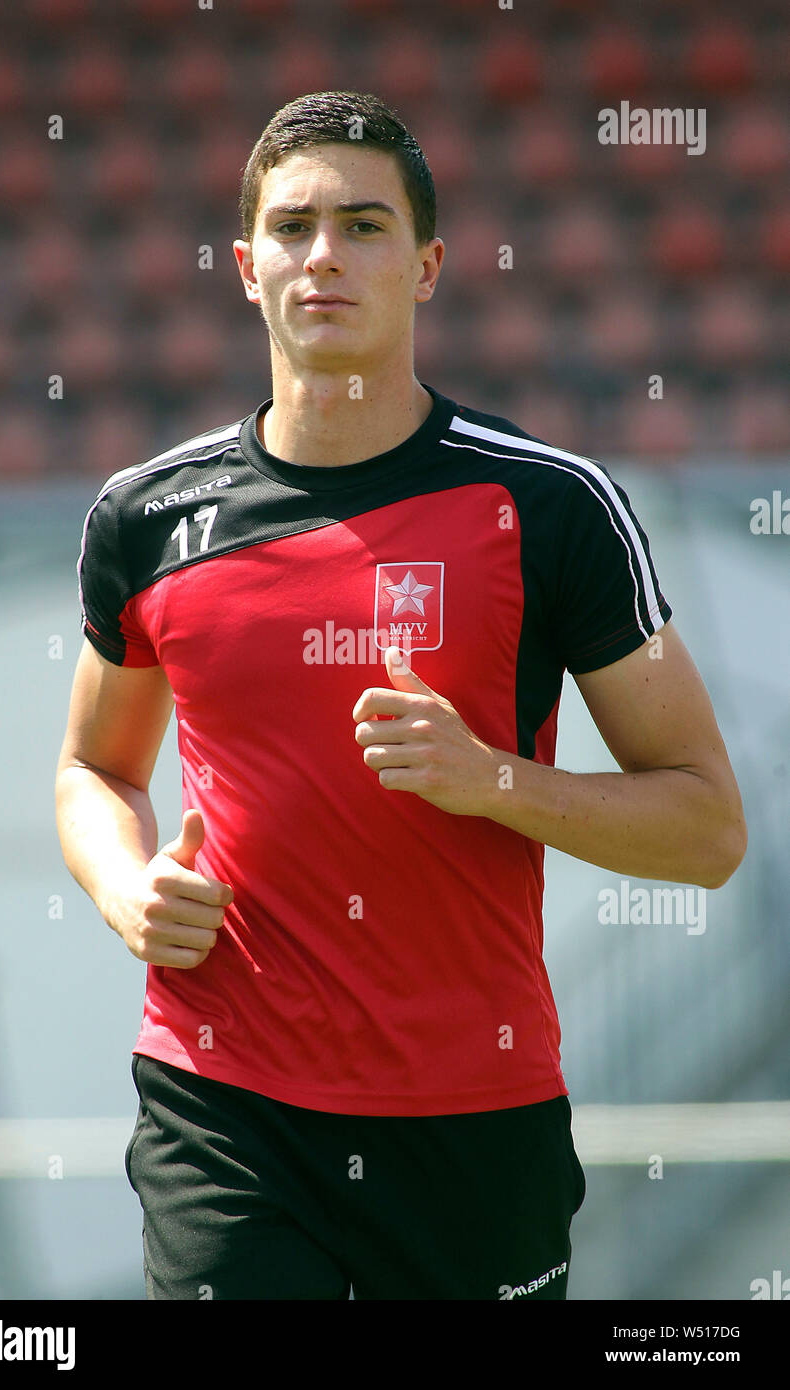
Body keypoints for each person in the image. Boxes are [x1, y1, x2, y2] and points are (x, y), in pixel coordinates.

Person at [55, 90, 747, 1301]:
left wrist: (491, 779)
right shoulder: (144, 515)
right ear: (243, 266)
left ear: (426, 268)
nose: (323, 256)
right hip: (225, 1103)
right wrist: (125, 887)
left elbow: (705, 827)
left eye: (364, 226)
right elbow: (93, 771)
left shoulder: (551, 506)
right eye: (293, 227)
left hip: (473, 1118)